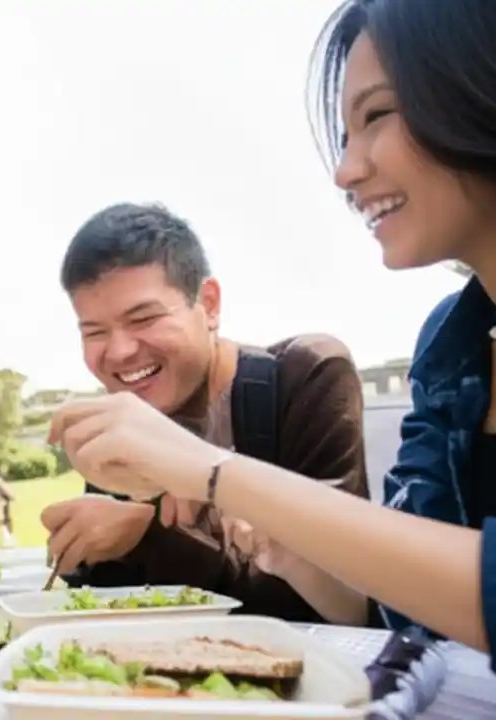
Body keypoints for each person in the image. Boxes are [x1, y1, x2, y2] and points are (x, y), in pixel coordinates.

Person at [51, 0, 496, 714]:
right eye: (343, 132)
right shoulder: (449, 350)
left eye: (377, 116)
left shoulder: (303, 375)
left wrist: (215, 476)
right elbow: (395, 617)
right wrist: (285, 538)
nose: (345, 170)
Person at [41, 201, 369, 625]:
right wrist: (87, 550)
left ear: (209, 305)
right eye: (95, 332)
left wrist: (150, 537)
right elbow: (119, 610)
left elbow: (337, 598)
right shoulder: (118, 423)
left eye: (144, 318)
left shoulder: (306, 378)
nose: (120, 351)